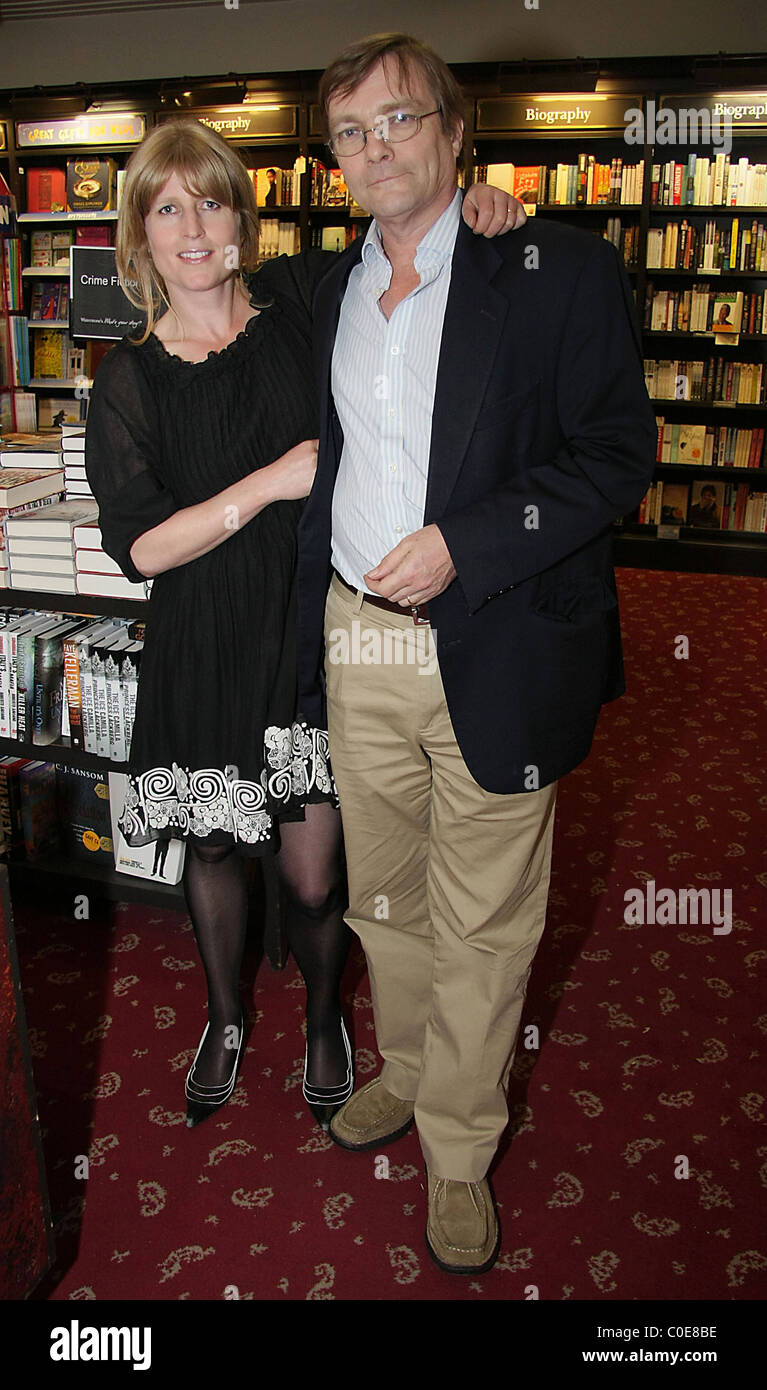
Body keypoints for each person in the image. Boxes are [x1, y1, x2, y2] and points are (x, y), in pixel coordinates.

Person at [297, 32, 658, 1274]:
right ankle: (404, 1070)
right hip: (359, 642)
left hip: (499, 638)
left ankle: (458, 1146)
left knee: (486, 917)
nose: (374, 148)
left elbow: (615, 456)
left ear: (455, 133)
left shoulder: (555, 267)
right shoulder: (319, 288)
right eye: (349, 132)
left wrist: (465, 540)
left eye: (397, 121)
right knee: (384, 896)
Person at [84, 116, 525, 1133]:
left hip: (304, 633)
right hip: (203, 642)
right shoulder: (128, 379)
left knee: (317, 872)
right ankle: (226, 1018)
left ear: (242, 213)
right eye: (166, 207)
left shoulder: (296, 300)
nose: (192, 226)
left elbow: (403, 238)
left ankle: (325, 1014)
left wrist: (478, 208)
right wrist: (273, 481)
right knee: (207, 851)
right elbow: (142, 548)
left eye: (210, 200)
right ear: (139, 234)